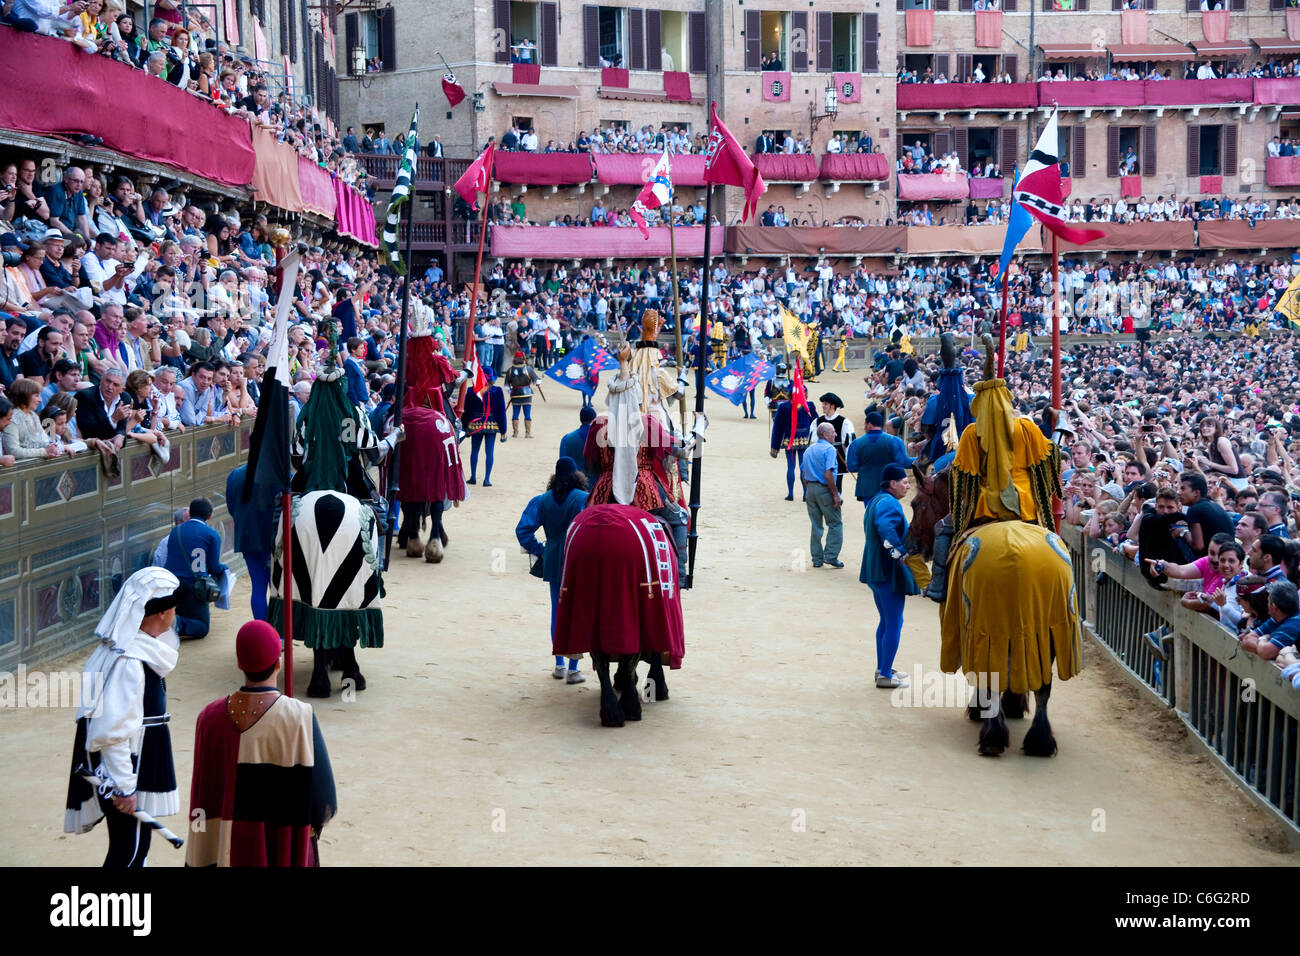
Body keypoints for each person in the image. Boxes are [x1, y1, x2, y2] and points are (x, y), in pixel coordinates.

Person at [185, 620, 337, 866]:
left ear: (239, 664)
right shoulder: (300, 716)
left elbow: (204, 793)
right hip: (282, 846)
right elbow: (325, 800)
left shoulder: (208, 718)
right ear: (278, 663)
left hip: (226, 849)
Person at [64, 567, 184, 867]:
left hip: (126, 769)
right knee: (128, 852)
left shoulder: (119, 649)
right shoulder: (129, 662)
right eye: (173, 609)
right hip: (125, 771)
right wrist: (124, 788)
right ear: (161, 613)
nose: (174, 616)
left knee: (131, 849)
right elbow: (111, 732)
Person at [516, 457, 590, 683]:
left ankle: (558, 664)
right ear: (577, 476)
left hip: (553, 556)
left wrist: (540, 550)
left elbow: (523, 531)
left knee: (557, 612)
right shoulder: (583, 499)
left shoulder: (543, 500)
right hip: (576, 559)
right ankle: (573, 669)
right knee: (576, 613)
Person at [861, 463, 917, 688]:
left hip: (875, 569)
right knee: (895, 622)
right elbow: (885, 528)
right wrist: (899, 553)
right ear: (892, 484)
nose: (907, 486)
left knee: (885, 621)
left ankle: (883, 666)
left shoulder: (876, 499)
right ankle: (885, 674)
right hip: (887, 570)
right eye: (904, 483)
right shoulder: (890, 503)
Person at [161, 496, 227, 639]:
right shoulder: (212, 534)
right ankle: (176, 623)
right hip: (194, 587)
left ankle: (172, 620)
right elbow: (213, 567)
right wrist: (224, 569)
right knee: (202, 628)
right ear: (210, 515)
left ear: (190, 513)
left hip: (171, 584)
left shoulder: (175, 531)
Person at [225, 464, 275, 621]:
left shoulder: (235, 474)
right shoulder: (282, 474)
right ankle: (278, 635)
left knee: (258, 587)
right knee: (278, 589)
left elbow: (231, 507)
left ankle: (263, 634)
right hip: (275, 539)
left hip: (248, 538)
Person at [846, 410, 913, 506]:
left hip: (867, 487)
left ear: (869, 424)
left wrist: (865, 467)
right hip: (890, 487)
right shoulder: (894, 441)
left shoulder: (856, 443)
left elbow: (852, 467)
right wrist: (919, 460)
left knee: (871, 515)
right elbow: (904, 462)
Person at [803, 422, 844, 568]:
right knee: (835, 523)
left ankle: (817, 559)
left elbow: (803, 473)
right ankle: (830, 556)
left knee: (816, 525)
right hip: (824, 489)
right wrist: (835, 495)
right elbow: (828, 475)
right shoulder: (830, 449)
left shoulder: (809, 449)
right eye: (833, 432)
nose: (835, 434)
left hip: (811, 489)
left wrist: (809, 487)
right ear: (825, 434)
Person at [463, 367, 508, 486]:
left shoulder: (471, 390)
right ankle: (487, 479)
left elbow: (466, 410)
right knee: (489, 452)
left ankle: (473, 476)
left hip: (475, 424)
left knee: (474, 451)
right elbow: (501, 412)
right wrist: (503, 430)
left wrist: (464, 426)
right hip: (491, 424)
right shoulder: (497, 391)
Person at [770, 390, 816, 502]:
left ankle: (790, 494)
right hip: (804, 440)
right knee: (803, 467)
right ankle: (805, 494)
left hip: (789, 440)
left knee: (791, 466)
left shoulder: (784, 407)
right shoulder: (809, 405)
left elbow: (778, 428)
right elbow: (815, 422)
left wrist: (775, 446)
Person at [812, 392, 855, 493]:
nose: (823, 406)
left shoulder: (844, 422)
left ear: (833, 405)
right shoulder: (817, 421)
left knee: (837, 487)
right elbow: (813, 443)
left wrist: (849, 461)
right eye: (823, 403)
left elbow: (850, 444)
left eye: (826, 404)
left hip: (838, 459)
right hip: (821, 459)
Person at [504, 350, 541, 438]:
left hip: (515, 394)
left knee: (515, 413)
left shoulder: (510, 370)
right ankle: (527, 433)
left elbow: (506, 385)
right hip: (527, 394)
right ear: (523, 359)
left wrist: (510, 392)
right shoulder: (528, 369)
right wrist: (539, 382)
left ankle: (515, 433)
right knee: (527, 414)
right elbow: (537, 380)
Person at [559, 404, 598, 485]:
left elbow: (562, 464)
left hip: (575, 484)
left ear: (580, 419)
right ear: (594, 419)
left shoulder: (566, 438)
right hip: (596, 485)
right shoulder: (602, 439)